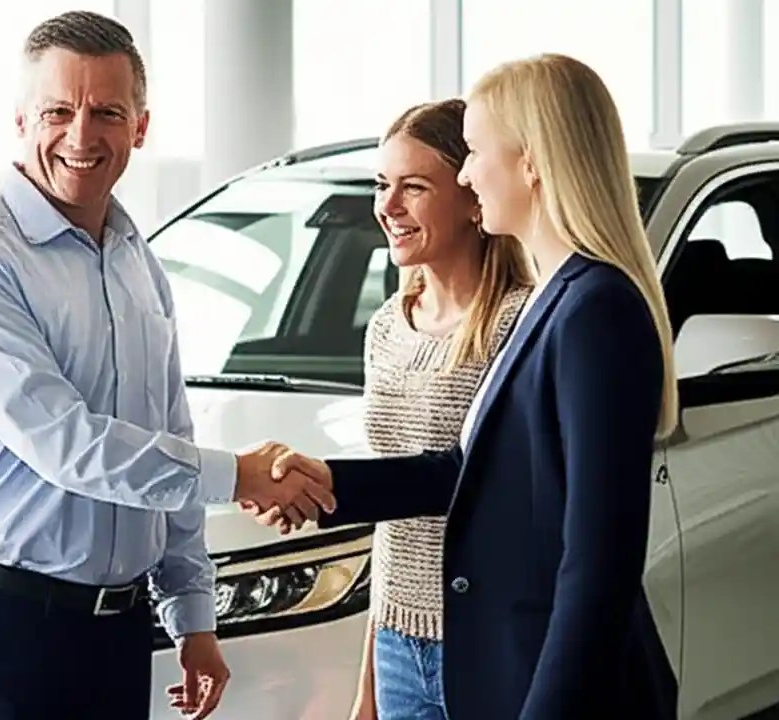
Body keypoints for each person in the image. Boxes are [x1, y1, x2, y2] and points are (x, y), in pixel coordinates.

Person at [0, 11, 334, 720]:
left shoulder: (136, 259)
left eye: (106, 112)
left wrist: (192, 613)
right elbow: (65, 442)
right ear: (20, 119)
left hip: (116, 641)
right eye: (58, 111)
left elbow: (167, 424)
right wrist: (243, 474)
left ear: (139, 126)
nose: (81, 135)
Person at [256, 53, 680, 719]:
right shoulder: (561, 300)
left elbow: (598, 567)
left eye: (476, 152)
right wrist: (326, 485)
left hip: (533, 676)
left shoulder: (595, 308)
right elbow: (470, 472)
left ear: (532, 161)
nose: (470, 173)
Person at [340, 98, 533, 720]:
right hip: (397, 643)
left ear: (473, 196)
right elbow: (390, 523)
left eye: (413, 187)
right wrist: (367, 683)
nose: (387, 207)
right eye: (381, 185)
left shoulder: (522, 323)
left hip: (489, 641)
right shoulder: (386, 329)